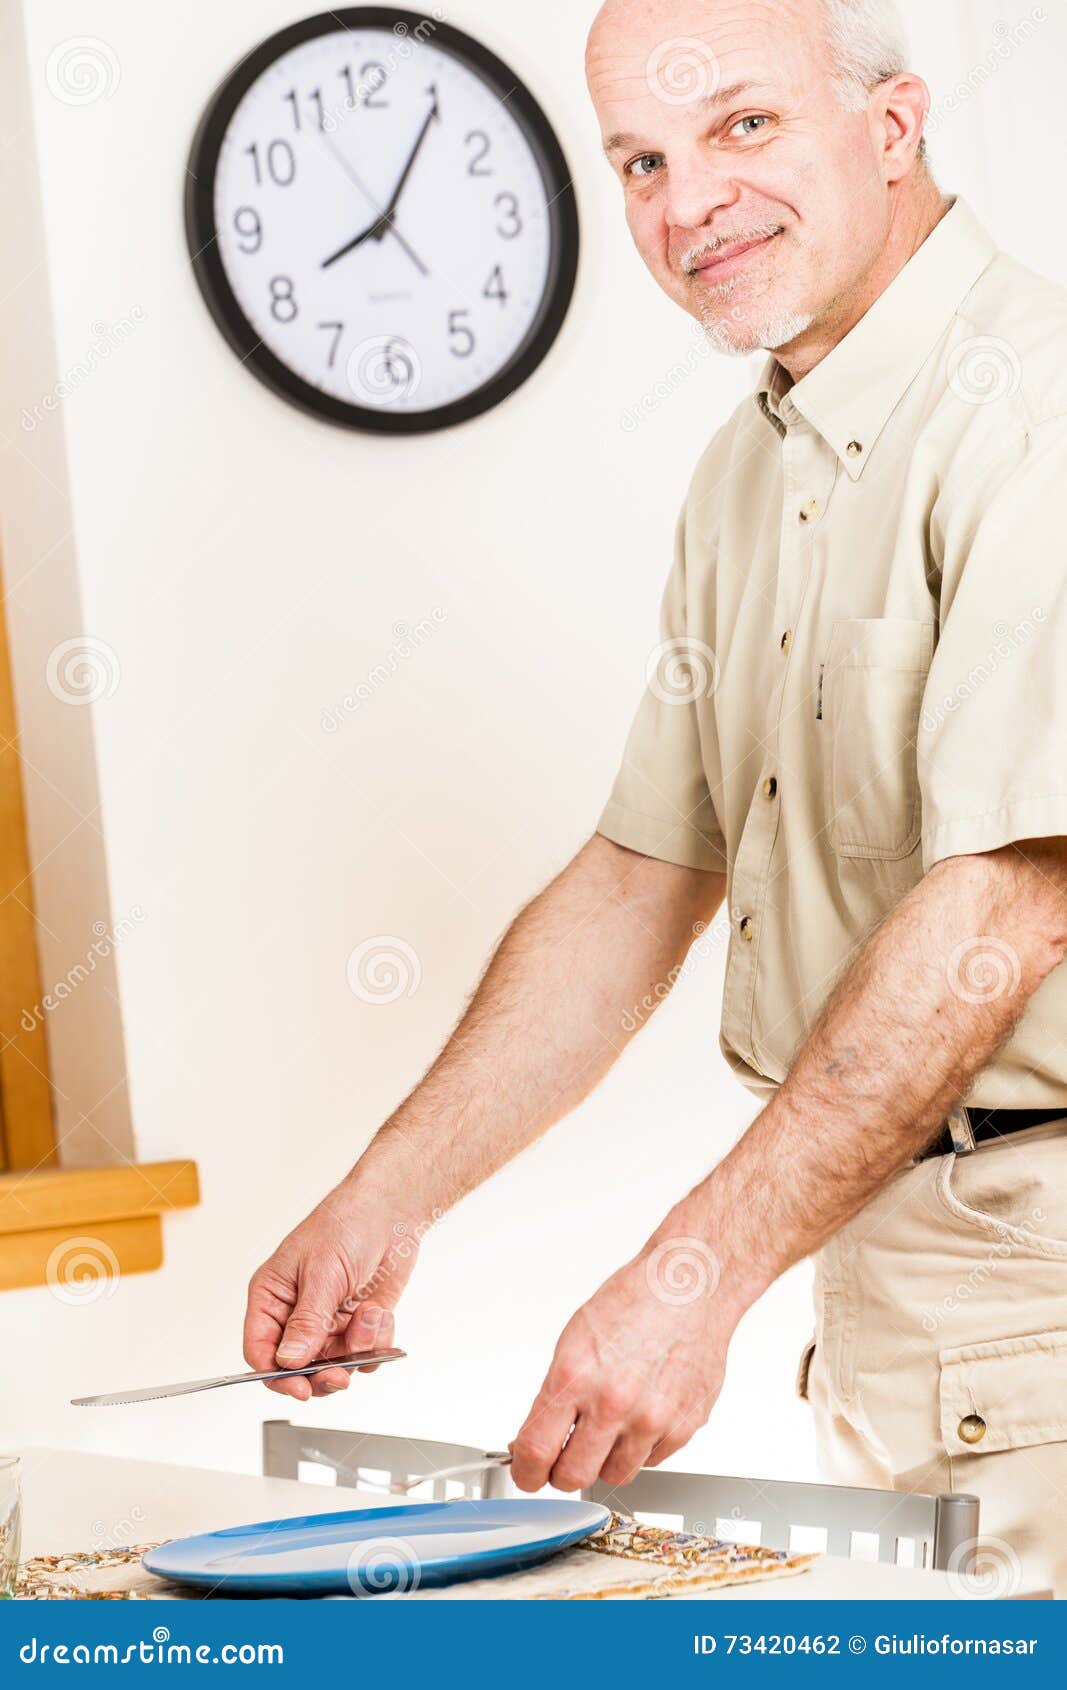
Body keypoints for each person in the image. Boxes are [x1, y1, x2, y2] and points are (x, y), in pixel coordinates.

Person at [244, 0, 1067, 1593]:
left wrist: (691, 1281)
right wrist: (378, 1207)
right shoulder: (747, 473)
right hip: (887, 1307)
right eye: (640, 157)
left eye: (743, 126)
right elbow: (639, 874)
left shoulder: (1037, 416)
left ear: (891, 128)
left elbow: (1011, 903)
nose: (687, 202)